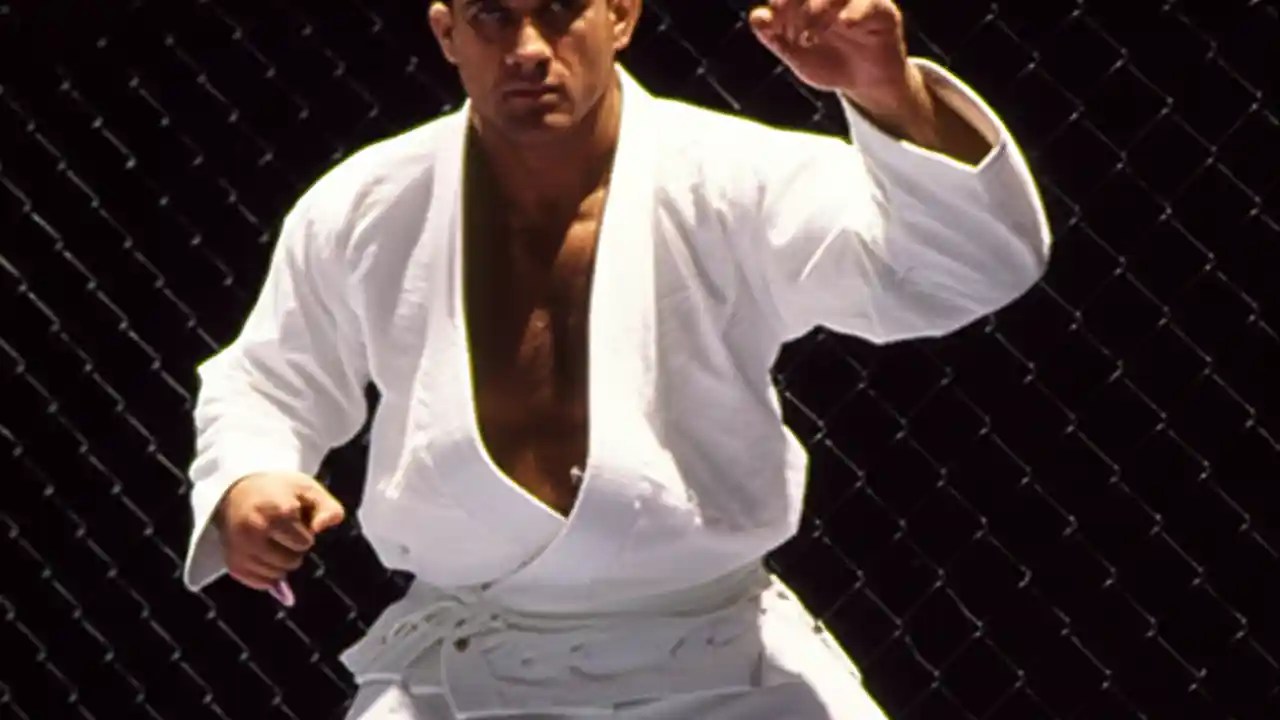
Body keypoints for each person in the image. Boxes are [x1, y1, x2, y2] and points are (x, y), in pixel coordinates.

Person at [181, 0, 1052, 717]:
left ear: (622, 15)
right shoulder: (364, 203)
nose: (528, 49)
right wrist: (249, 480)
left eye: (559, 12)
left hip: (719, 660)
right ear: (445, 31)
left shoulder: (728, 174)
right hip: (468, 667)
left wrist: (887, 93)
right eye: (492, 17)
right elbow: (268, 376)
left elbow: (962, 269)